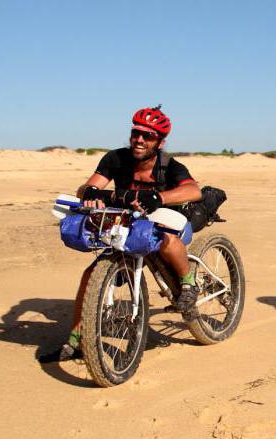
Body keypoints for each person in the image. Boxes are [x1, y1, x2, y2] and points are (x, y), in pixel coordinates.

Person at [39, 106, 202, 363]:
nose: (139, 139)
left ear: (159, 142)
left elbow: (193, 191)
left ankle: (188, 283)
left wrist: (159, 197)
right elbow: (88, 186)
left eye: (147, 136)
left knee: (167, 241)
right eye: (136, 133)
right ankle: (77, 339)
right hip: (130, 221)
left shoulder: (169, 165)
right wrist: (90, 192)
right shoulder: (115, 159)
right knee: (91, 274)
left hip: (167, 216)